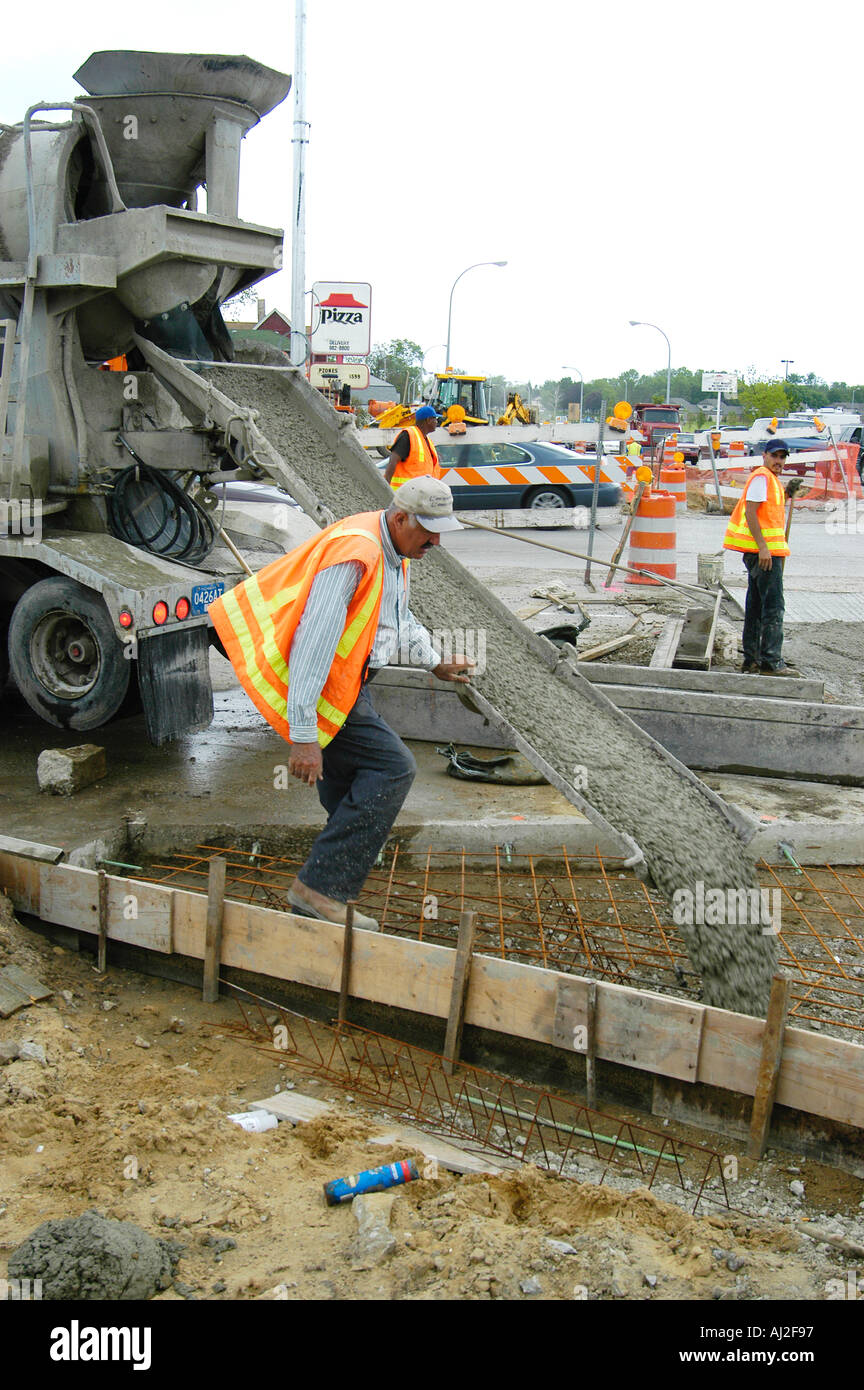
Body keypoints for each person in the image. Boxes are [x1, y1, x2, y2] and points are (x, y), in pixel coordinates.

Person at [209, 476, 474, 931]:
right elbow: (315, 641)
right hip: (327, 687)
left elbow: (397, 615)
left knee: (345, 781)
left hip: (350, 682)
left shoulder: (396, 549)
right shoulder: (357, 553)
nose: (435, 540)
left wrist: (434, 663)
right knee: (394, 768)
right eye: (428, 529)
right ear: (399, 517)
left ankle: (333, 876)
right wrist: (304, 736)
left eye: (440, 530)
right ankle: (321, 888)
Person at [723, 440, 802, 676]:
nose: (779, 461)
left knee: (756, 606)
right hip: (764, 554)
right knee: (773, 607)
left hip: (762, 553)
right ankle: (771, 661)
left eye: (782, 458)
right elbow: (751, 512)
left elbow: (769, 509)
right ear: (765, 456)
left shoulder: (771, 480)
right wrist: (764, 549)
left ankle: (752, 659)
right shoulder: (761, 478)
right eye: (775, 456)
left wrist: (788, 493)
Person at [384, 404, 443, 488]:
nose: (437, 422)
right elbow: (392, 462)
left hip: (420, 494)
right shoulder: (408, 435)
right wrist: (385, 489)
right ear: (428, 420)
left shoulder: (426, 440)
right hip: (405, 495)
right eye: (435, 419)